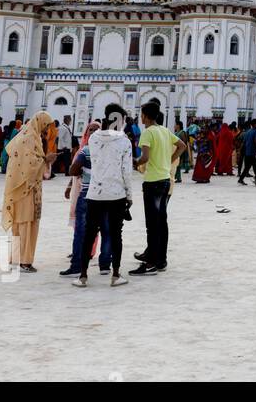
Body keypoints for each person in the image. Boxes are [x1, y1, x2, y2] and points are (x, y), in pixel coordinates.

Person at [71, 106, 136, 288]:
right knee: (115, 235)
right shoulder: (124, 141)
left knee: (89, 234)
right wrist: (129, 196)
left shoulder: (93, 138)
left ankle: (83, 276)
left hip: (95, 193)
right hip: (116, 193)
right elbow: (126, 171)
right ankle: (115, 275)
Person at [130, 101, 186, 276]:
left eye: (141, 114)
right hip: (164, 180)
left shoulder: (148, 132)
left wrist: (134, 162)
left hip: (152, 182)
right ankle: (161, 260)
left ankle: (151, 263)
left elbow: (145, 157)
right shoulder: (164, 131)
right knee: (161, 222)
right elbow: (182, 146)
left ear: (146, 116)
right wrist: (168, 160)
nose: (141, 118)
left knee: (152, 224)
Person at [1, 111, 55, 272]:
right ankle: (25, 262)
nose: (47, 129)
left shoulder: (28, 135)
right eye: (46, 125)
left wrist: (43, 160)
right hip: (26, 190)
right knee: (26, 224)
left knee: (20, 225)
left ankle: (15, 259)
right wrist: (46, 160)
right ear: (40, 122)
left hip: (23, 188)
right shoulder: (29, 138)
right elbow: (29, 164)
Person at [61, 121, 109, 278]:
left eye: (95, 129)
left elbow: (73, 170)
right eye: (90, 129)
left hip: (88, 194)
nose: (92, 132)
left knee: (82, 230)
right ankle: (105, 265)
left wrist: (81, 170)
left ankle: (77, 265)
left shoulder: (86, 150)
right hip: (103, 195)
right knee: (105, 229)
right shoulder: (108, 150)